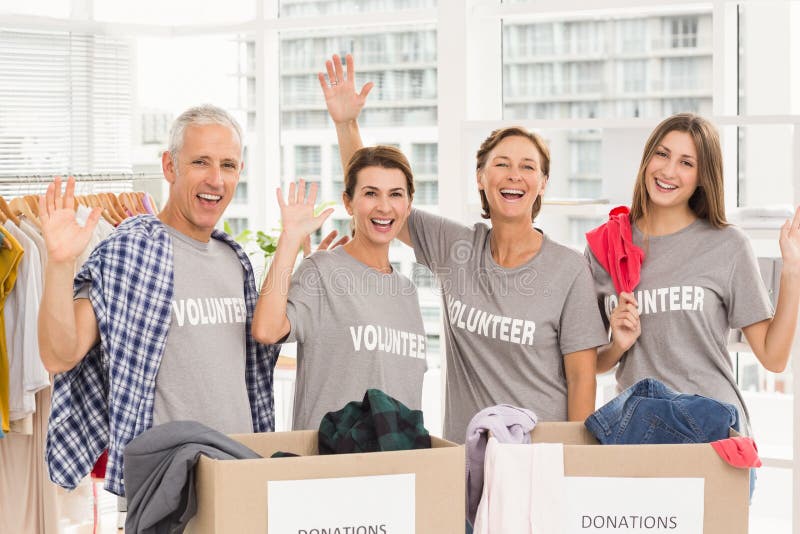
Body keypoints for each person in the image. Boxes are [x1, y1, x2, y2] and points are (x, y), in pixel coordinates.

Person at [319, 54, 607, 443]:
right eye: (502, 164)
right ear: (481, 178)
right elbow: (378, 196)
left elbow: (581, 377)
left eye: (528, 167)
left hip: (537, 461)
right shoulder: (456, 248)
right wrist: (346, 124)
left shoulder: (569, 269)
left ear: (542, 183)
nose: (514, 175)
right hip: (465, 461)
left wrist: (575, 461)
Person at [37, 105, 281, 497]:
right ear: (170, 166)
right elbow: (58, 356)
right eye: (201, 162)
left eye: (229, 165)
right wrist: (60, 264)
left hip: (240, 475)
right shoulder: (130, 251)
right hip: (166, 488)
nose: (216, 179)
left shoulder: (235, 261)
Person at [587, 113, 800, 430]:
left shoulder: (727, 245)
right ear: (647, 158)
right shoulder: (606, 245)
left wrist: (792, 270)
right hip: (638, 433)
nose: (668, 170)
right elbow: (592, 363)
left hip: (713, 432)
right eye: (662, 154)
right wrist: (618, 343)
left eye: (687, 162)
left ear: (703, 176)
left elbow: (773, 357)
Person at [252, 145, 429, 431]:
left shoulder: (407, 292)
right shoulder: (322, 270)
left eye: (395, 194)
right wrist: (290, 238)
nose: (384, 206)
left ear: (408, 206)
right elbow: (266, 330)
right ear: (349, 203)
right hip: (331, 466)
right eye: (371, 193)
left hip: (398, 466)